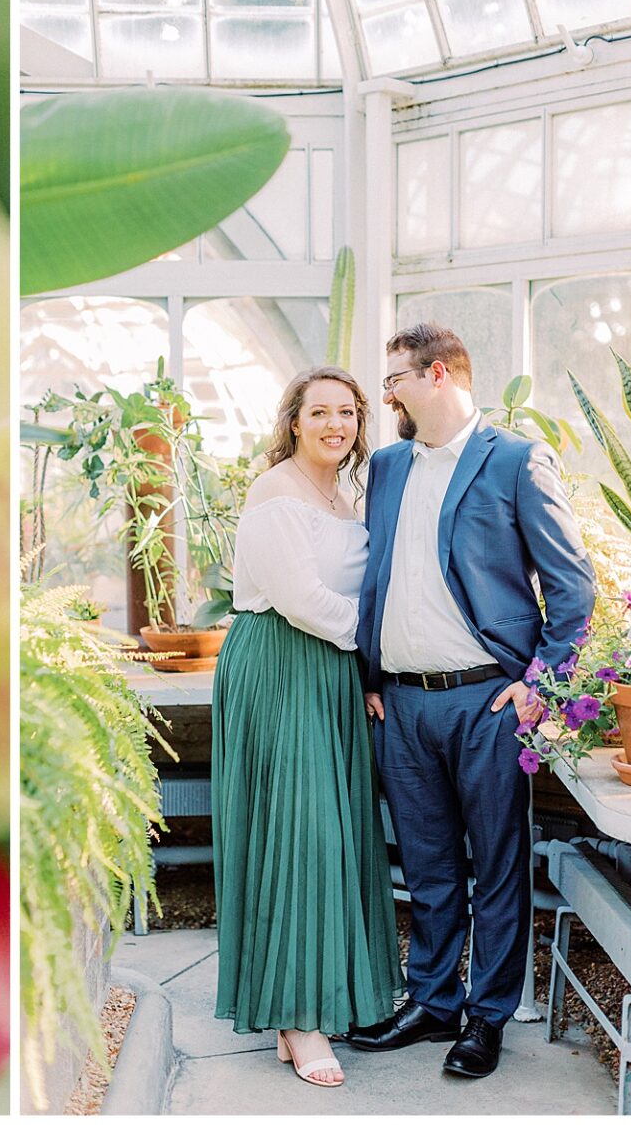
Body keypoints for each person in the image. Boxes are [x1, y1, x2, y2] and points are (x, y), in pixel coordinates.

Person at [347, 324, 594, 1078]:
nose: (385, 392)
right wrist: (369, 677)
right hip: (403, 706)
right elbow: (375, 575)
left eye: (397, 377)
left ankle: (485, 1019)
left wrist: (539, 682)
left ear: (442, 372)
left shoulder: (516, 460)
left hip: (488, 702)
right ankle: (432, 1002)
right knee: (425, 869)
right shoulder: (387, 467)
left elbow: (574, 588)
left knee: (497, 863)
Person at [211, 366, 404, 1089]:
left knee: (336, 836)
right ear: (293, 421)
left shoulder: (349, 497)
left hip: (330, 672)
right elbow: (302, 599)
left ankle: (316, 999)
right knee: (299, 834)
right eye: (319, 412)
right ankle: (296, 1019)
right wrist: (397, 643)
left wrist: (362, 676)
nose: (336, 425)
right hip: (281, 666)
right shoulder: (275, 492)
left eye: (348, 413)